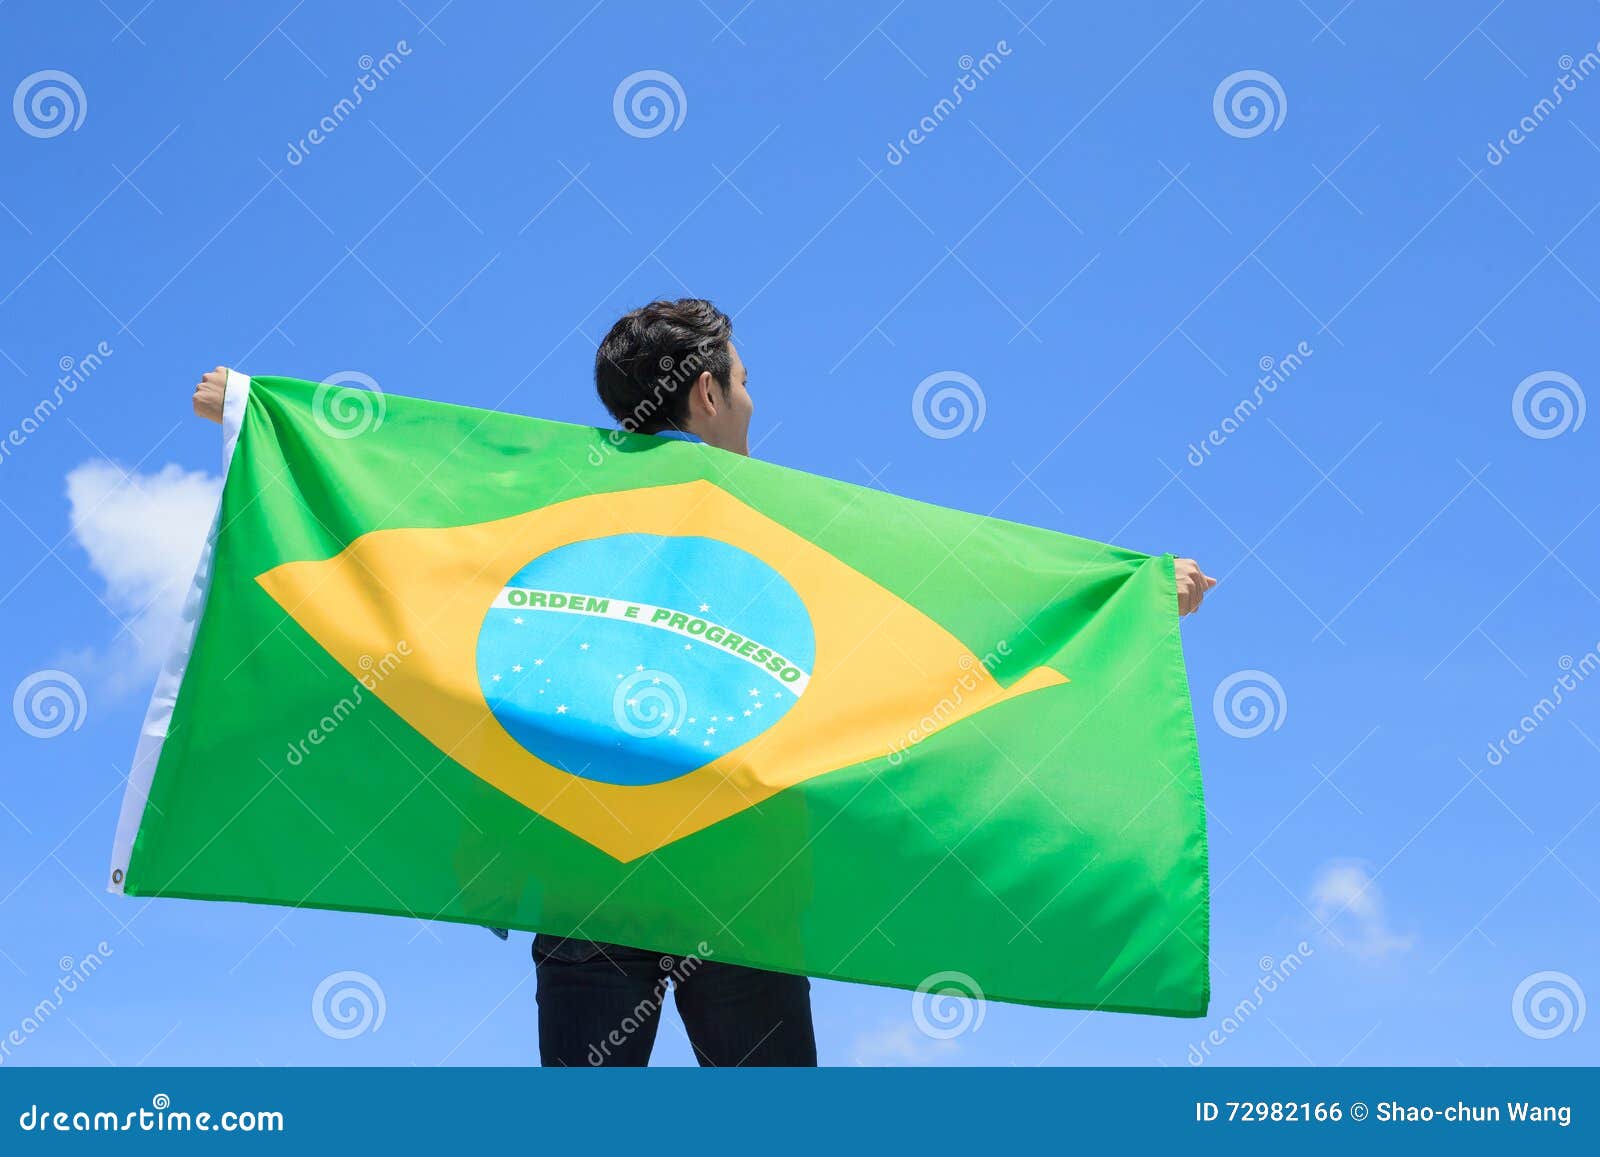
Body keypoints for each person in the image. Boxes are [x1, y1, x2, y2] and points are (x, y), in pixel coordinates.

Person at [189, 297, 1216, 1067]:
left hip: (590, 874)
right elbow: (959, 591)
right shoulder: (777, 523)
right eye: (745, 379)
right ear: (709, 391)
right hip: (736, 888)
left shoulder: (560, 504)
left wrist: (253, 412)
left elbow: (412, 516)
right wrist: (1131, 595)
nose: (754, 399)